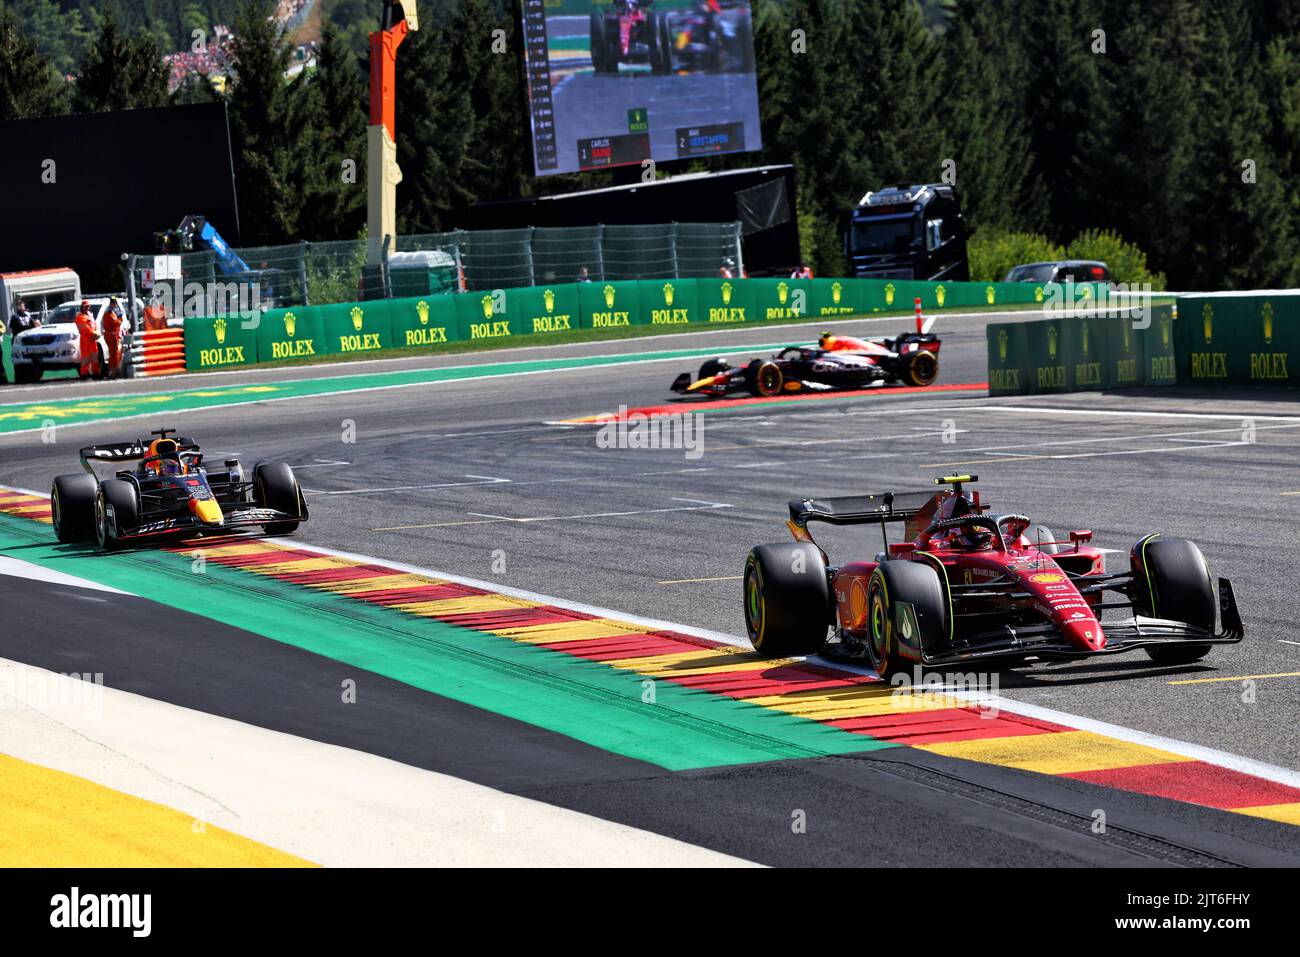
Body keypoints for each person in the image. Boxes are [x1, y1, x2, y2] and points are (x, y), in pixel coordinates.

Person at [74, 300, 100, 379]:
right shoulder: (80, 316)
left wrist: (96, 332)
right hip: (86, 340)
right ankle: (84, 374)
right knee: (85, 358)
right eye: (85, 306)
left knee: (95, 357)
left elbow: (95, 325)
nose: (87, 308)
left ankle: (96, 373)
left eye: (88, 306)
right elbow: (85, 328)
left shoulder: (90, 315)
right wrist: (94, 334)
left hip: (92, 339)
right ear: (82, 307)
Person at [102, 298, 125, 378]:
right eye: (113, 302)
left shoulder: (111, 312)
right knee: (113, 354)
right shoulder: (109, 312)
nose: (115, 304)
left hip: (113, 335)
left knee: (114, 353)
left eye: (115, 302)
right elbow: (116, 323)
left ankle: (114, 370)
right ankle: (112, 371)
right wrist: (120, 319)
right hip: (111, 335)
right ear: (111, 303)